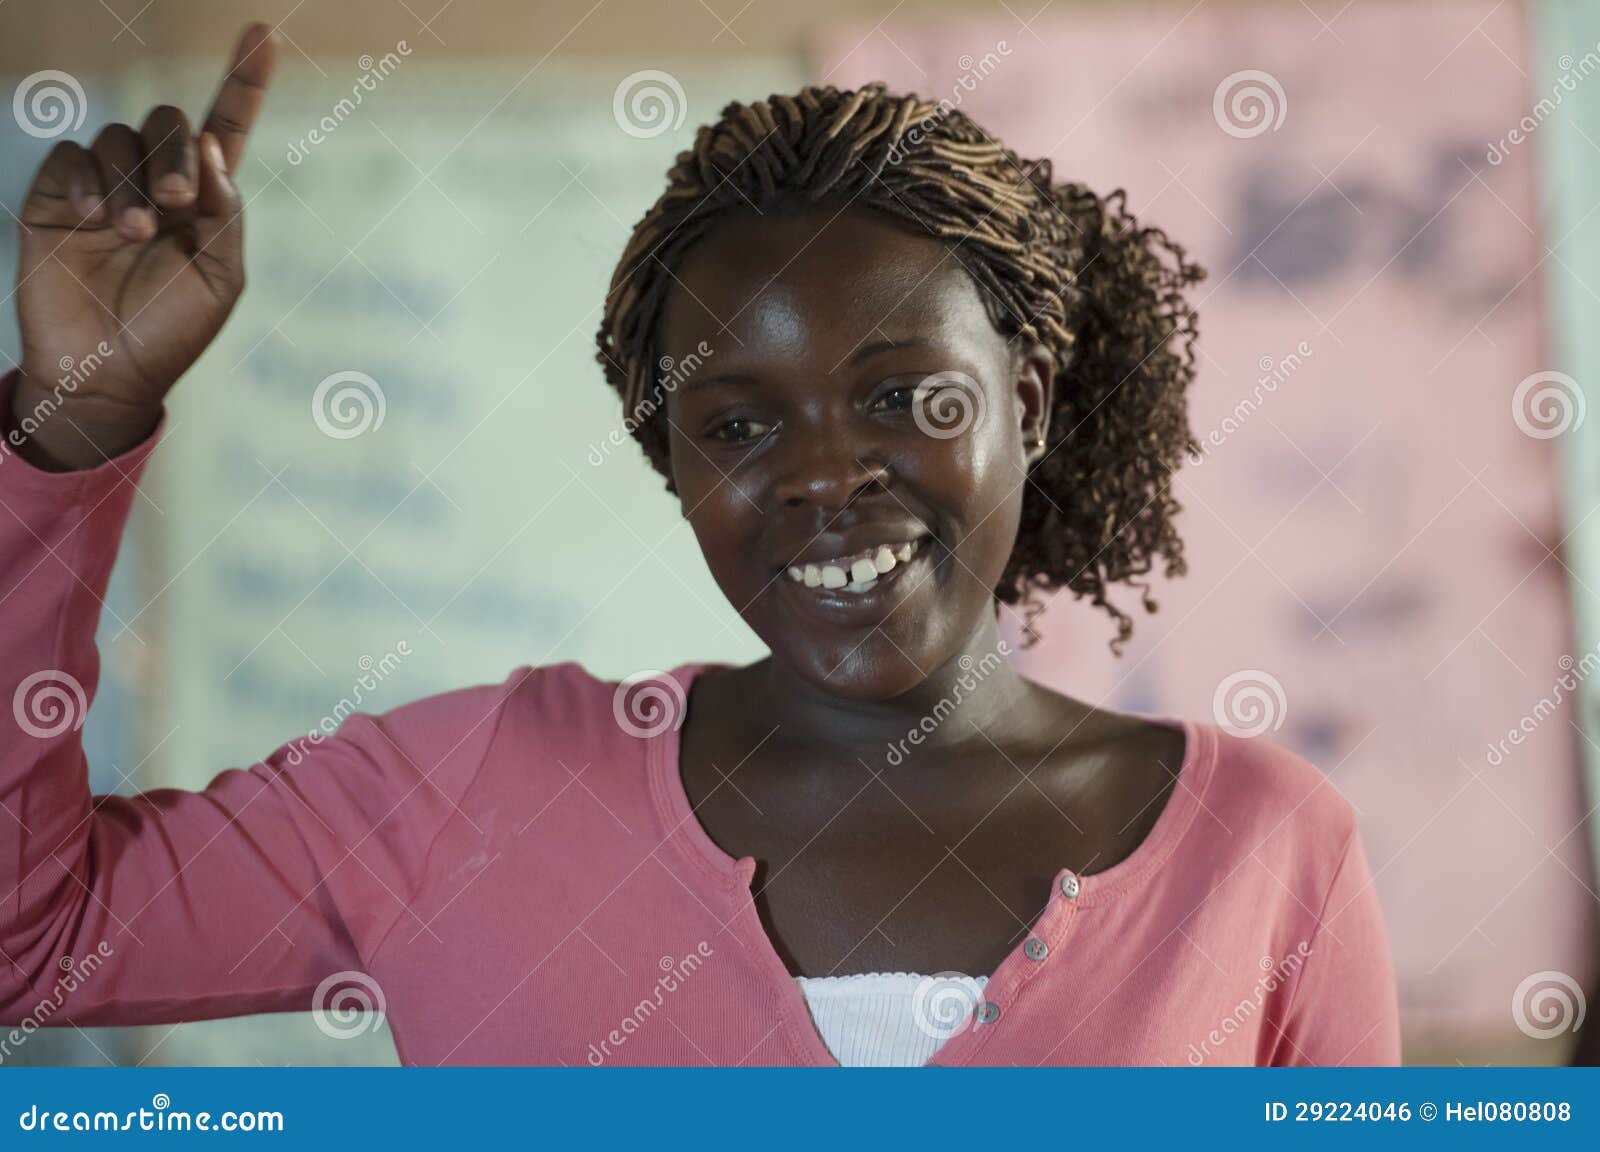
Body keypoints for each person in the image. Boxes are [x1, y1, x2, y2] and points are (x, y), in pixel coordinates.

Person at [0, 21, 1400, 1067]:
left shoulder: (1265, 848)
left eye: (908, 397)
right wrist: (78, 420)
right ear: (671, 460)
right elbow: (35, 940)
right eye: (736, 425)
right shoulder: (463, 799)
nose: (826, 475)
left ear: (1025, 402)